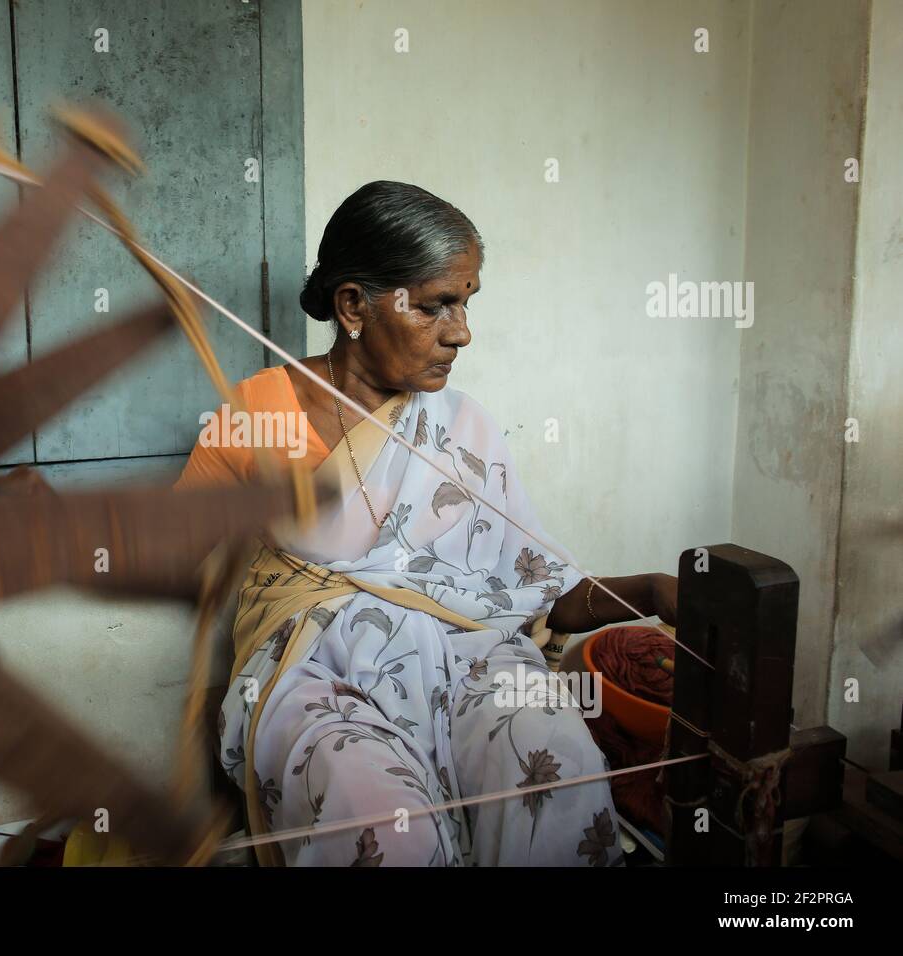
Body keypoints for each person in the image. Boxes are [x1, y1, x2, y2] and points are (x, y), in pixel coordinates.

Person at [177, 181, 678, 866]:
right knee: (384, 820)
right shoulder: (259, 410)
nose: (462, 330)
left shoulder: (462, 424)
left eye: (467, 302)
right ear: (353, 305)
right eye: (437, 304)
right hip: (316, 672)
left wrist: (647, 591)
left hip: (469, 660)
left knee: (555, 756)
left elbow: (533, 589)